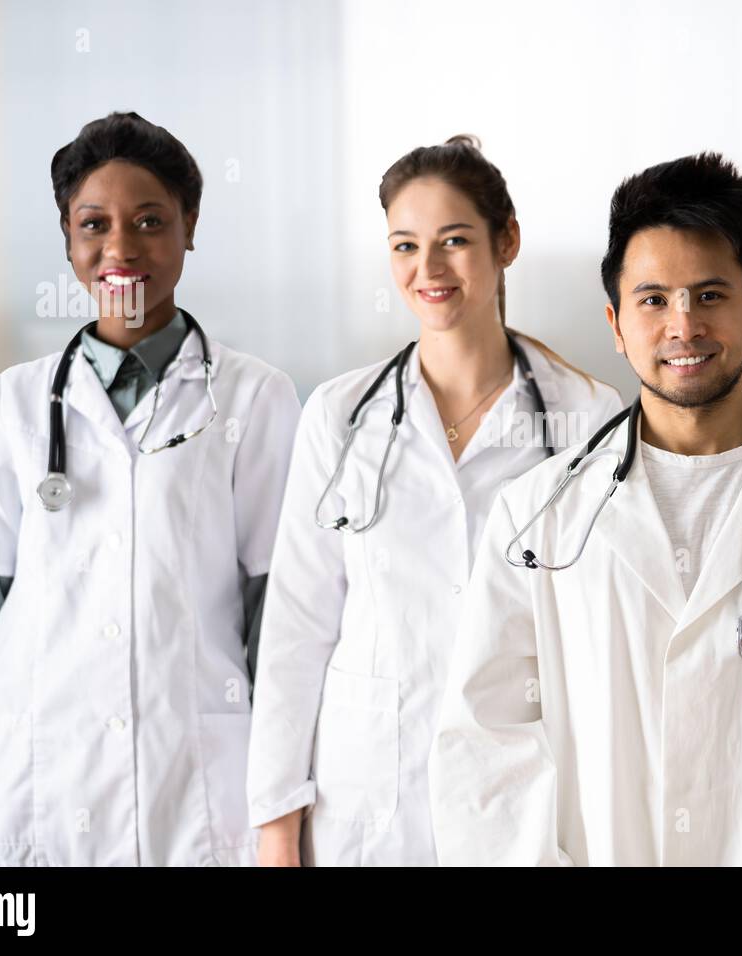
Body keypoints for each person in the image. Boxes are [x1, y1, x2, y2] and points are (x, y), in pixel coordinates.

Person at [428, 152, 742, 866]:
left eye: (711, 295)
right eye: (654, 300)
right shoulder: (538, 518)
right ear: (616, 323)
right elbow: (481, 747)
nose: (683, 326)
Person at [0, 112, 300, 866]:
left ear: (190, 227)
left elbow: (278, 629)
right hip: (31, 796)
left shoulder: (256, 400)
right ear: (68, 239)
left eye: (150, 221)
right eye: (95, 224)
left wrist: (284, 809)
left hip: (199, 800)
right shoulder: (14, 403)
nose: (121, 247)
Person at [247, 135, 622, 866]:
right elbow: (296, 628)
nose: (429, 270)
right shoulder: (338, 416)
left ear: (506, 240)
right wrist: (275, 824)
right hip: (363, 810)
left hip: (524, 803)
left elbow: (599, 633)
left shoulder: (586, 413)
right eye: (405, 247)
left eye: (454, 241)